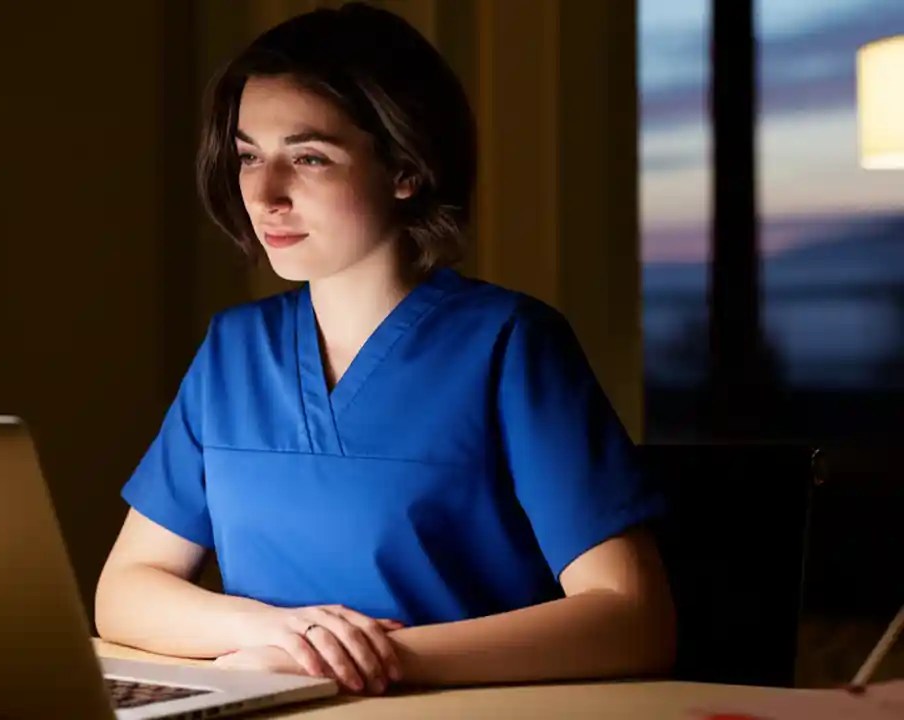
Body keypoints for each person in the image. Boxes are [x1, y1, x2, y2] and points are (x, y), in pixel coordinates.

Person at [95, 2, 675, 695]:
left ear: (406, 169)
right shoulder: (233, 352)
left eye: (308, 157)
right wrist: (275, 633)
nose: (265, 192)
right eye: (249, 155)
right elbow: (126, 589)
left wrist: (370, 661)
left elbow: (633, 617)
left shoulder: (509, 345)